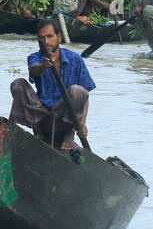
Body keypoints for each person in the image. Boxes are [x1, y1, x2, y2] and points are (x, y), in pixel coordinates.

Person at [9, 18, 94, 151]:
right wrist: (44, 65)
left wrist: (81, 124)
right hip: (41, 116)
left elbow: (85, 96)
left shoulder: (75, 60)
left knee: (77, 90)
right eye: (42, 38)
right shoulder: (35, 57)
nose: (46, 42)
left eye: (50, 36)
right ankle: (37, 129)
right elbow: (34, 70)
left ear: (59, 37)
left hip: (64, 118)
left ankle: (69, 134)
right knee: (18, 84)